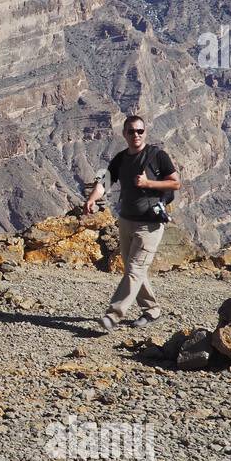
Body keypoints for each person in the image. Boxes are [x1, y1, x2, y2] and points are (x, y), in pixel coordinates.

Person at [84, 115, 181, 331]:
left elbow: (176, 183)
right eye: (131, 131)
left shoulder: (158, 156)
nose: (135, 135)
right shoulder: (120, 158)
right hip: (126, 221)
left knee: (135, 269)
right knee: (133, 269)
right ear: (124, 134)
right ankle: (152, 310)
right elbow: (105, 182)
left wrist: (149, 183)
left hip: (150, 224)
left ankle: (112, 316)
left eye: (139, 131)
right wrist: (92, 198)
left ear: (145, 132)